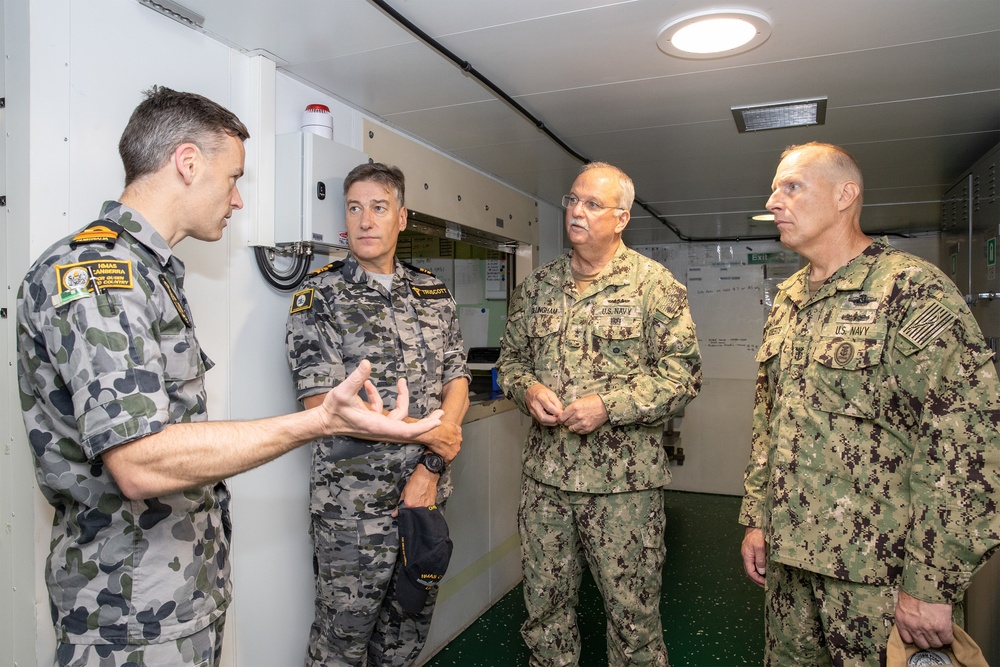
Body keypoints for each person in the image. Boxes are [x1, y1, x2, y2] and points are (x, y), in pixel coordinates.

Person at [15, 87, 443, 667]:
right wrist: (317, 420)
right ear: (188, 164)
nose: (238, 199)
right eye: (233, 177)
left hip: (174, 592)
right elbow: (139, 461)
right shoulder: (101, 277)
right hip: (130, 607)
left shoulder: (149, 273)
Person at [739, 142, 1000, 666]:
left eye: (791, 186)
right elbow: (772, 421)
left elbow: (966, 442)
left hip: (879, 579)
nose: (773, 201)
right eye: (773, 189)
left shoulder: (910, 289)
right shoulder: (790, 298)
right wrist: (757, 518)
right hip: (791, 566)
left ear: (845, 195)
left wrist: (932, 583)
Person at [495, 161, 702, 666]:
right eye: (573, 200)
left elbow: (684, 377)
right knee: (545, 614)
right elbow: (511, 363)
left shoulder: (656, 287)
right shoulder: (538, 288)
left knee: (633, 622)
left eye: (592, 204)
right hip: (545, 484)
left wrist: (609, 406)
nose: (577, 211)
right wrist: (529, 390)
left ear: (622, 218)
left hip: (623, 491)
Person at [285, 162, 470, 666]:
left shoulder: (433, 294)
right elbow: (324, 408)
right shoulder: (318, 296)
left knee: (406, 638)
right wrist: (435, 436)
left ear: (402, 218)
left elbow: (458, 379)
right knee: (339, 646)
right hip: (352, 512)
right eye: (354, 208)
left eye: (379, 207)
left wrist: (434, 460)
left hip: (423, 499)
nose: (365, 220)